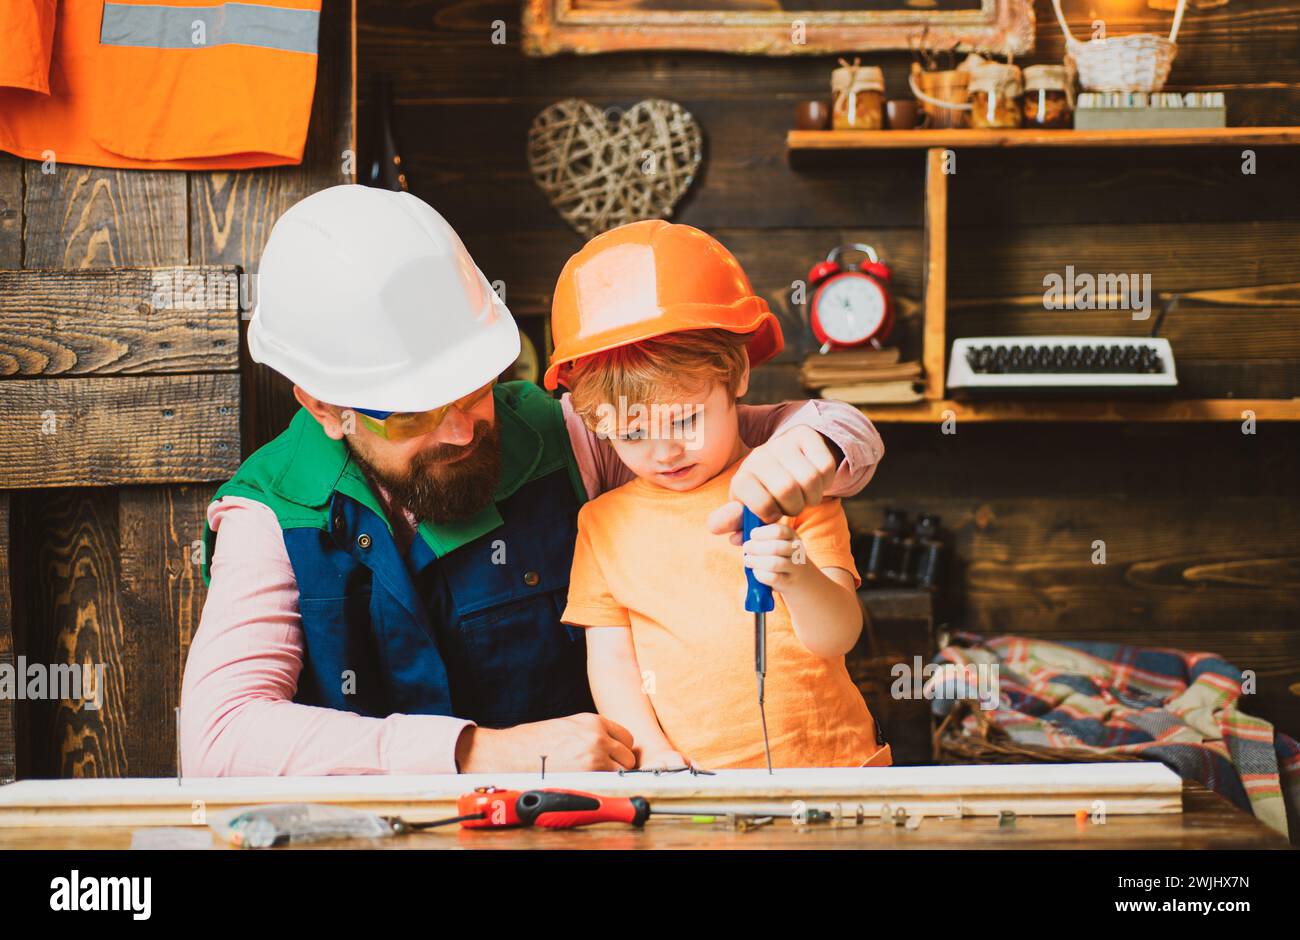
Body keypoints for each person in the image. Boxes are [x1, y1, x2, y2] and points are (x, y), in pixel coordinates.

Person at [180, 185, 885, 776]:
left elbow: (786, 427)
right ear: (325, 407)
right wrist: (479, 752)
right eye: (414, 415)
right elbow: (219, 741)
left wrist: (816, 441)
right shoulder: (272, 512)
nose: (462, 429)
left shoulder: (562, 433)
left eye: (472, 390)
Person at [552, 221, 892, 769]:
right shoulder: (601, 524)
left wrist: (798, 576)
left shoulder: (784, 489)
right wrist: (652, 753)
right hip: (692, 789)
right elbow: (612, 663)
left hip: (832, 769)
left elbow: (837, 637)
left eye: (685, 419)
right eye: (632, 433)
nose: (664, 452)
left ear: (736, 377)